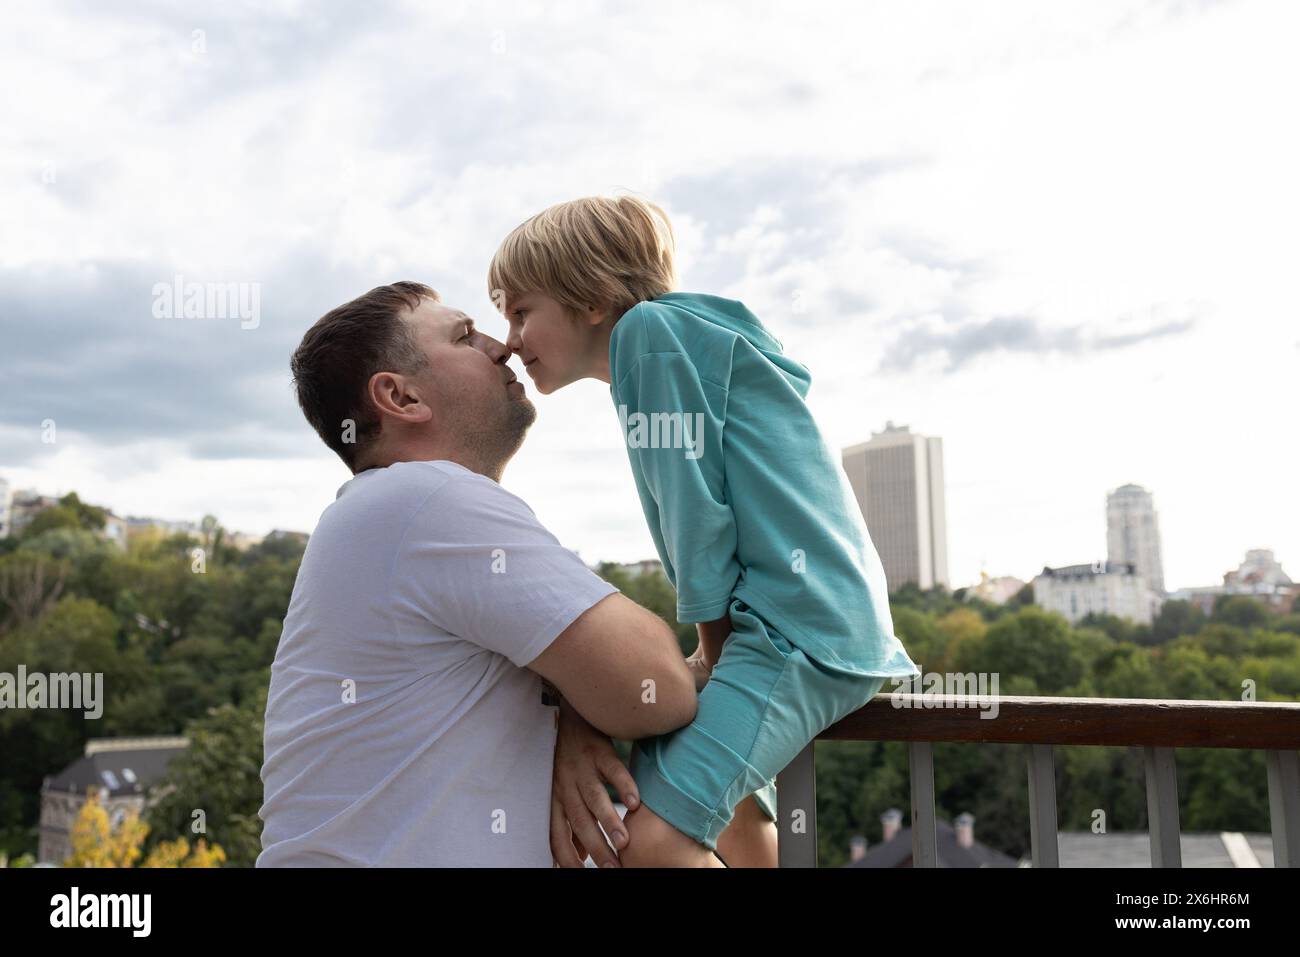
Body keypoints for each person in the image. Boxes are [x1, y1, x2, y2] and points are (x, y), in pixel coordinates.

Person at [487, 196, 922, 866]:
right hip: (811, 620)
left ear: (593, 297)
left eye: (520, 311)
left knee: (647, 840)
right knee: (720, 811)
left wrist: (710, 648)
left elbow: (696, 511)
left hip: (795, 629)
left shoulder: (649, 336)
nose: (511, 340)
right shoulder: (681, 337)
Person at [258, 281, 696, 866]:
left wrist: (572, 710)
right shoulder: (426, 498)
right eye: (465, 336)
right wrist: (590, 700)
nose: (503, 347)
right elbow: (657, 688)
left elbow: (615, 683)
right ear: (401, 397)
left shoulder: (383, 516)